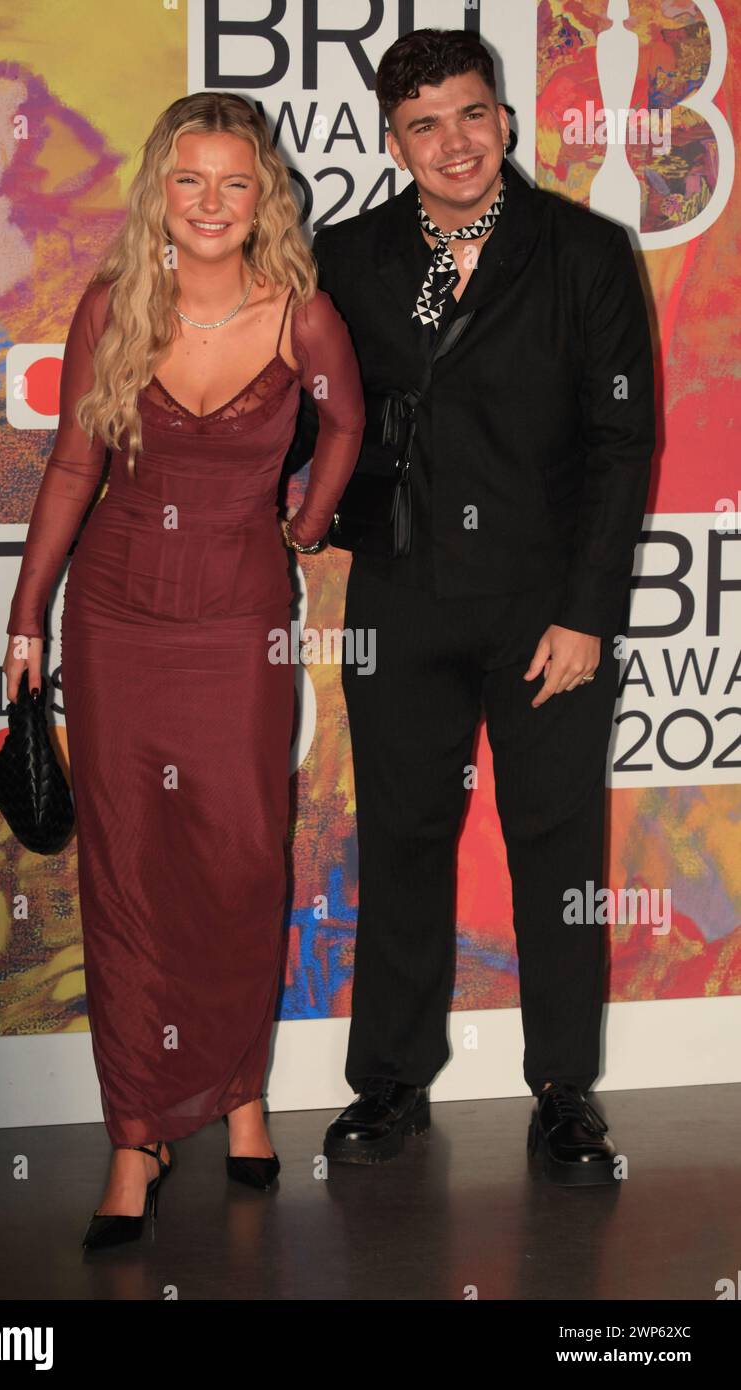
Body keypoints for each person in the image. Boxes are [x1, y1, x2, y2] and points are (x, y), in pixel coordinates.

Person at [3, 92, 365, 1247]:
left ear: (263, 197)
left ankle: (238, 1091)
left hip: (240, 619)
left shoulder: (301, 314)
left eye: (234, 183)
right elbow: (70, 468)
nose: (210, 204)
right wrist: (27, 618)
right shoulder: (113, 305)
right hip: (116, 617)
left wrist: (303, 525)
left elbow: (345, 424)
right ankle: (135, 1132)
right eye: (188, 180)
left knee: (240, 860)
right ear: (159, 189)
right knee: (127, 868)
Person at [304, 30, 655, 1184]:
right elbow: (310, 415)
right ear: (390, 139)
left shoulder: (583, 249)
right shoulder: (345, 255)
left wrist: (585, 614)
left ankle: (563, 1091)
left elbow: (620, 440)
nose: (450, 142)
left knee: (555, 849)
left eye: (469, 114)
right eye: (422, 124)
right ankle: (389, 1082)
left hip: (542, 606)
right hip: (399, 595)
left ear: (502, 121)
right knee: (400, 840)